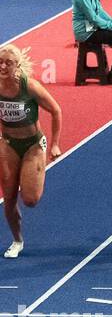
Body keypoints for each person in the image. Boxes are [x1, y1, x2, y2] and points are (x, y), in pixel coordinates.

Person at [0, 44, 61, 259]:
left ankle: (35, 173)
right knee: (8, 198)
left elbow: (55, 110)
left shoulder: (29, 87)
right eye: (0, 62)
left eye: (8, 62)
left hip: (33, 145)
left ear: (17, 65)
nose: (3, 66)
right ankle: (17, 240)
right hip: (8, 144)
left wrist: (54, 143)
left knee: (30, 199)